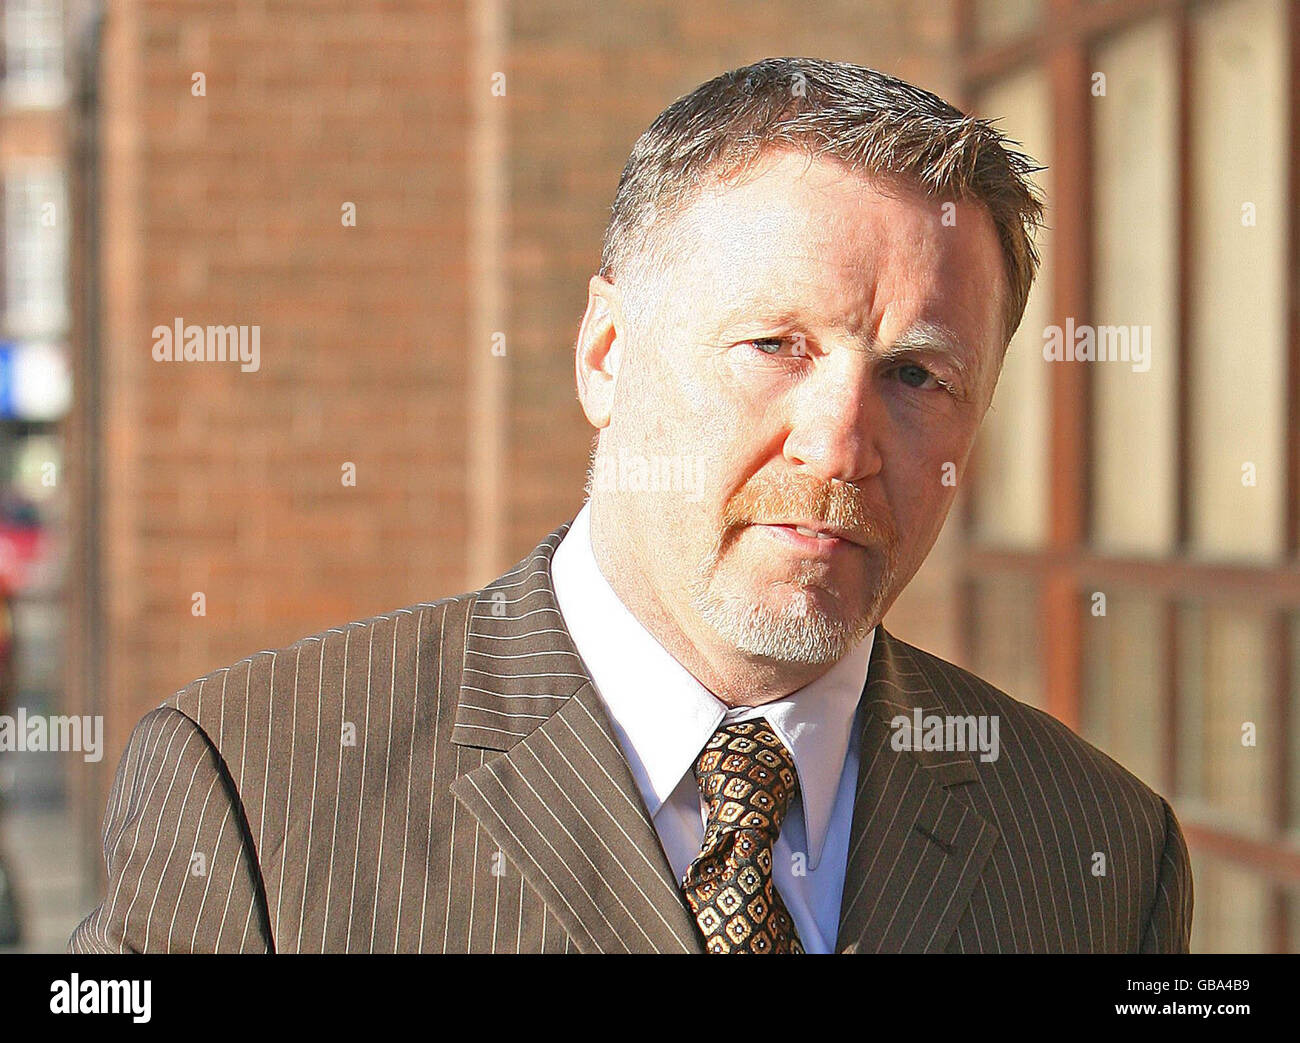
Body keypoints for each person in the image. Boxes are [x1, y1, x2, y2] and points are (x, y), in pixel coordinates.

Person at [72, 57, 1191, 954]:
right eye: (772, 346)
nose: (841, 443)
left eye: (916, 376)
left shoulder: (1096, 849)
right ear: (605, 355)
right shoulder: (263, 793)